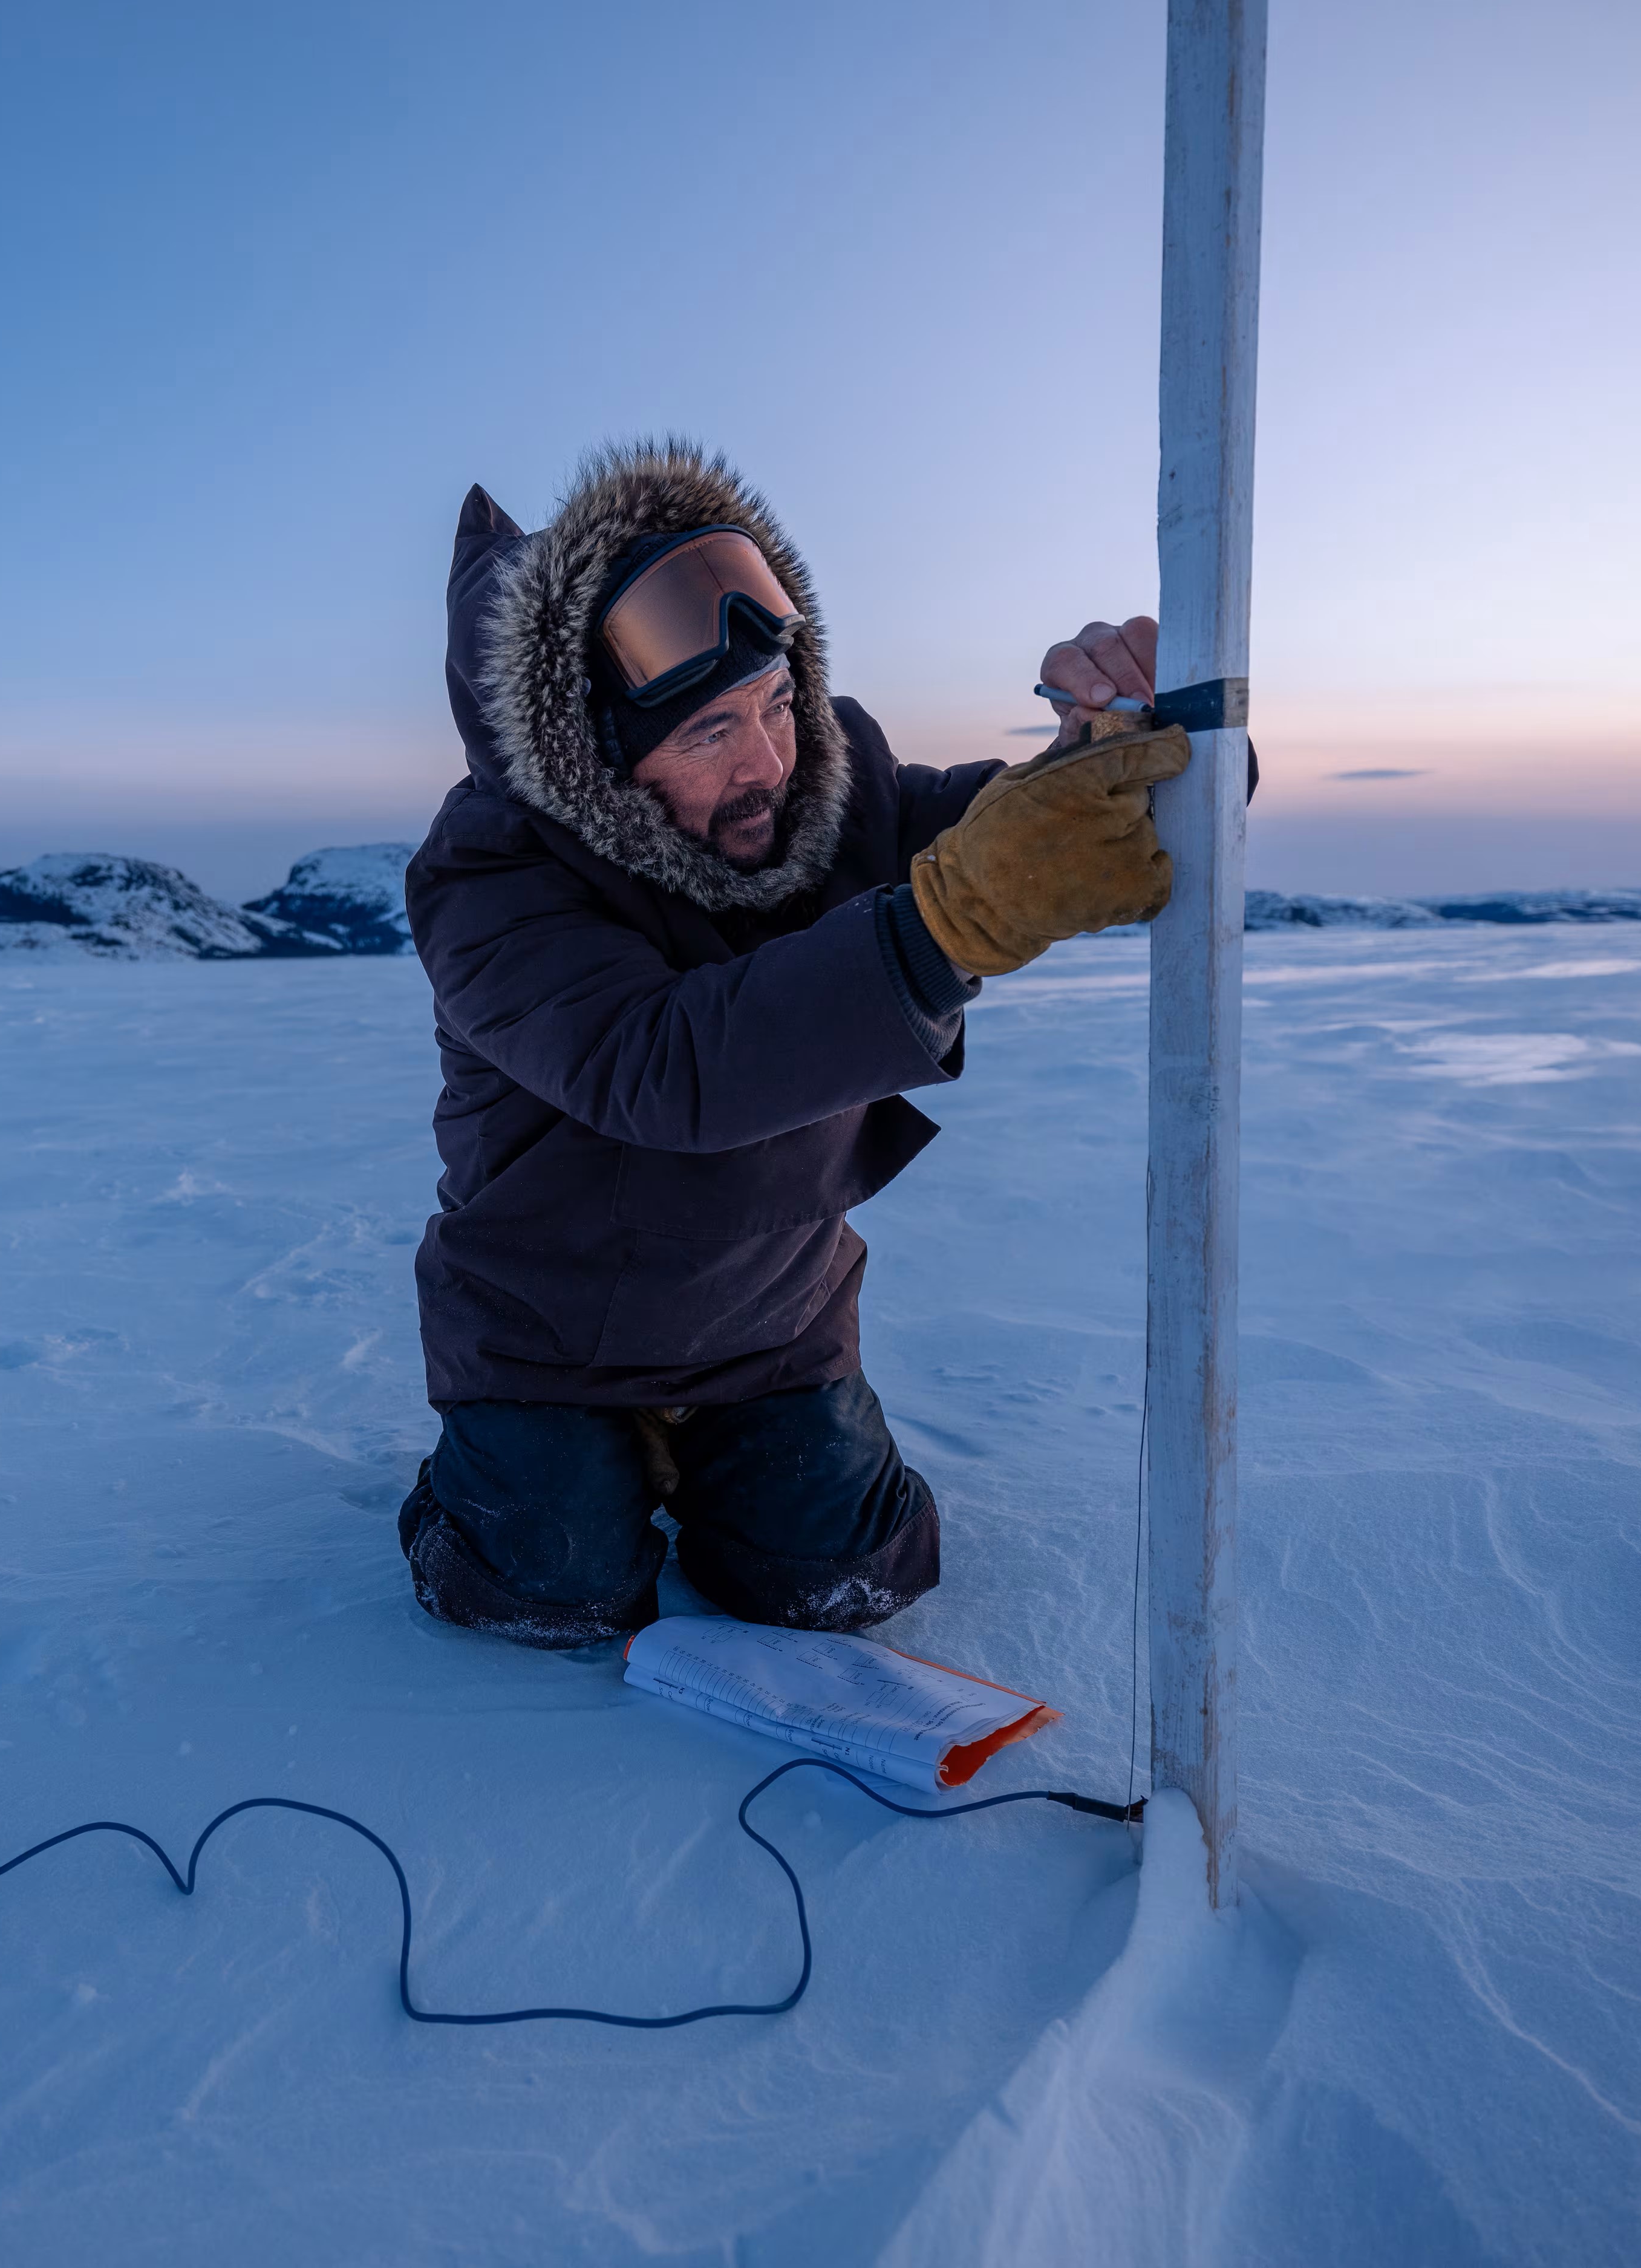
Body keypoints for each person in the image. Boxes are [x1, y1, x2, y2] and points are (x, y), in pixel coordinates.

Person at [397, 439, 1212, 1649]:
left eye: (778, 705)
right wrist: (948, 922)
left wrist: (1131, 736)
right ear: (592, 758)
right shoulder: (487, 878)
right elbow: (663, 1067)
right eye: (708, 734)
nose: (767, 763)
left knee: (851, 1577)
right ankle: (500, 1479)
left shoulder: (839, 788)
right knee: (547, 1591)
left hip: (768, 1322)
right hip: (548, 1334)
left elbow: (1053, 818)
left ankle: (700, 1457)